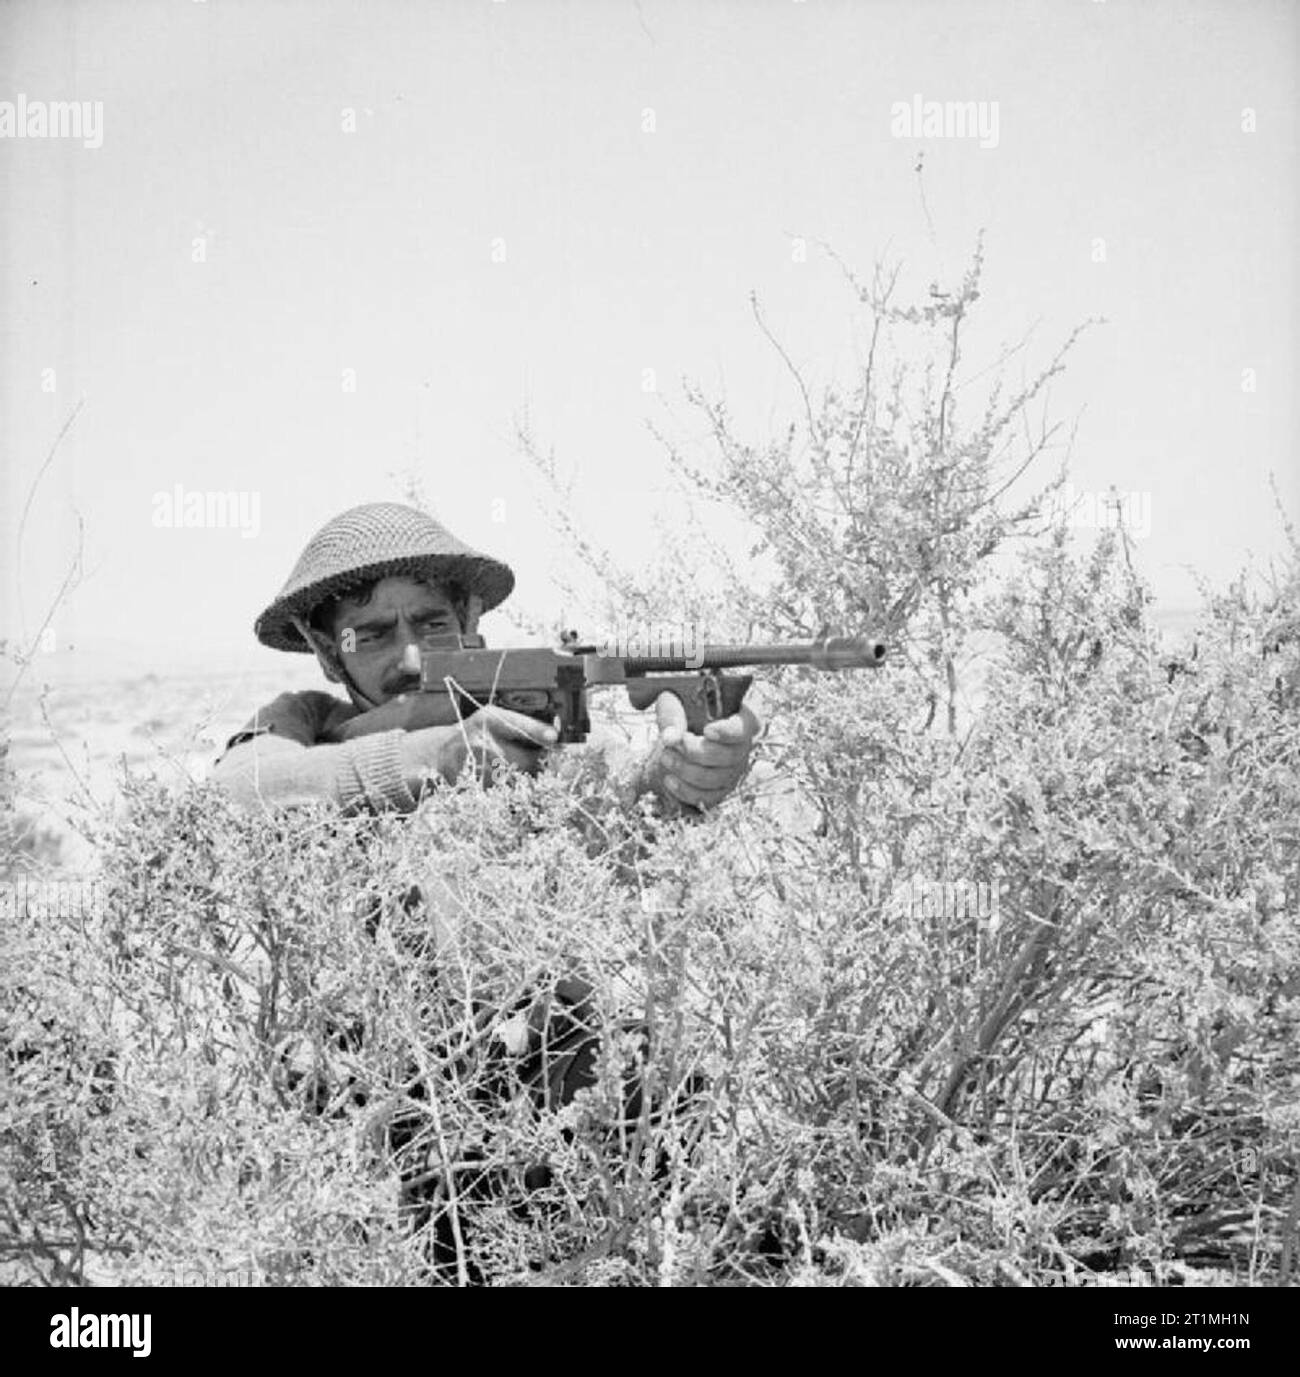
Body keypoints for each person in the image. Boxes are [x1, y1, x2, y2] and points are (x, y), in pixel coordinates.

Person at [210, 501, 758, 1279]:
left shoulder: (518, 727)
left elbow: (622, 820)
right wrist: (436, 758)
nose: (407, 658)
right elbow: (236, 793)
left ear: (472, 624)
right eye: (371, 634)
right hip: (375, 1118)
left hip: (546, 1097)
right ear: (327, 655)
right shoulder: (307, 724)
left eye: (431, 625)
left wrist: (688, 777)